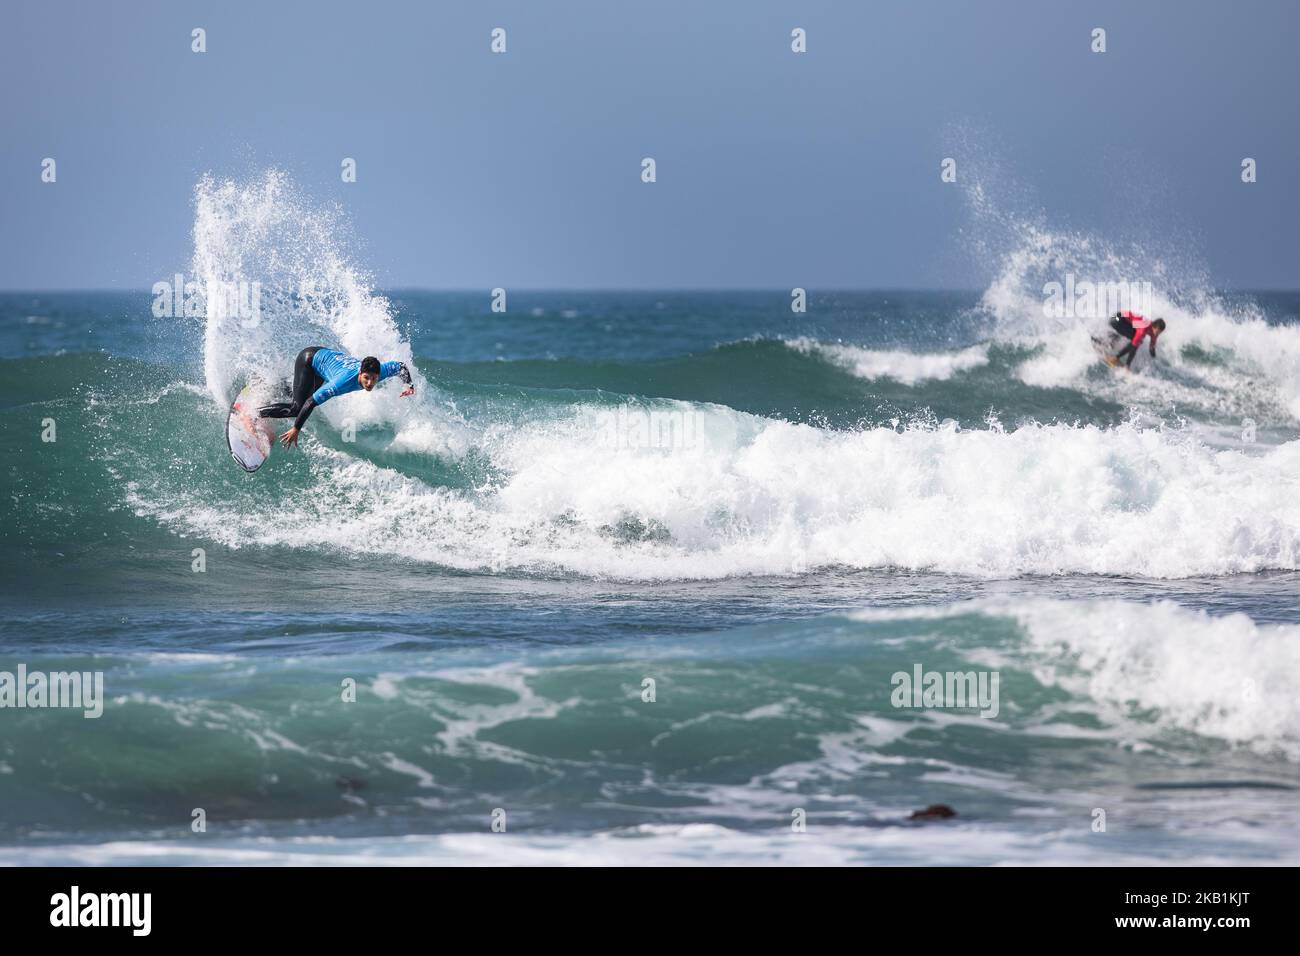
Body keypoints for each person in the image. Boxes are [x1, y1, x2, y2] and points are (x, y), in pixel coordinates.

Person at [258, 346, 414, 448]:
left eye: (374, 379)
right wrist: (296, 429)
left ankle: (271, 387)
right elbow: (311, 402)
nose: (370, 383)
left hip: (322, 363)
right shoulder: (343, 382)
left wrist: (409, 385)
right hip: (310, 360)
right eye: (366, 377)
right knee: (296, 408)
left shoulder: (381, 371)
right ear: (360, 373)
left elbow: (401, 367)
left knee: (298, 393)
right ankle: (254, 413)